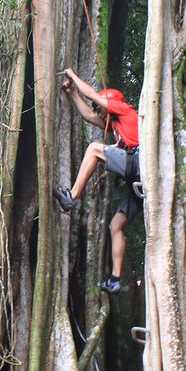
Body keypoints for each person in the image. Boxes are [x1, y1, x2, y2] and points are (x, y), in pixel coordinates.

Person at [53, 68, 142, 293]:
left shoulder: (124, 110)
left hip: (138, 163)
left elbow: (93, 95)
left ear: (109, 104)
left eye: (100, 109)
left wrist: (73, 75)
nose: (98, 112)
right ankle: (114, 279)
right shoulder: (115, 126)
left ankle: (71, 196)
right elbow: (88, 115)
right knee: (115, 225)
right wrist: (73, 93)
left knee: (94, 149)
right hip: (138, 184)